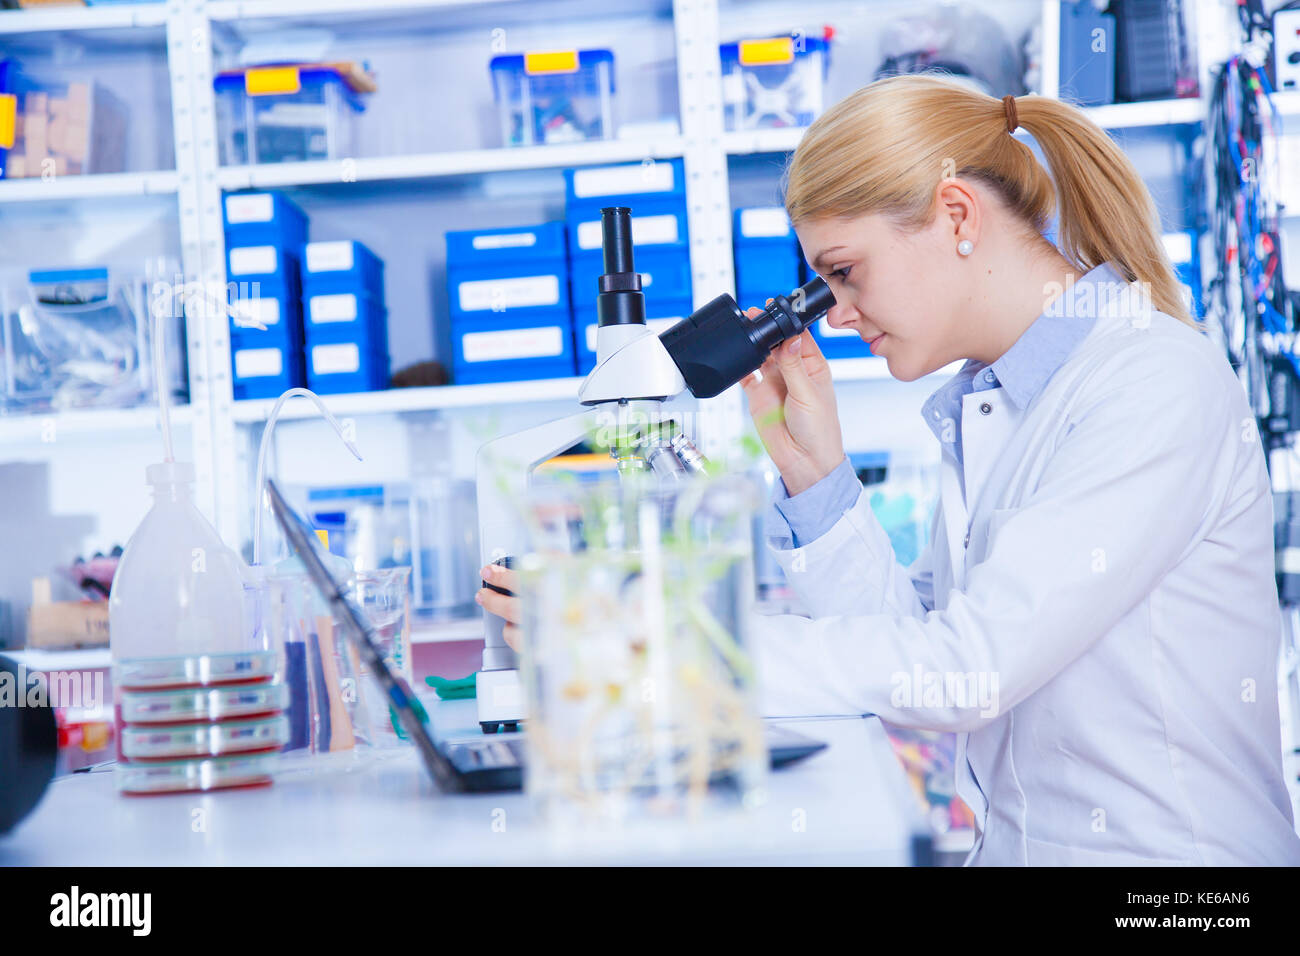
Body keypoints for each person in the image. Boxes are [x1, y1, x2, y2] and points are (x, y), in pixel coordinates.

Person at [477, 75, 1300, 866]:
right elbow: (922, 651)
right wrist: (819, 478)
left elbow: (969, 669)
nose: (834, 311)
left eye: (843, 270)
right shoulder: (997, 400)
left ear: (954, 213)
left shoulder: (1151, 381)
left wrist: (652, 641)